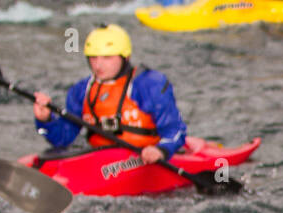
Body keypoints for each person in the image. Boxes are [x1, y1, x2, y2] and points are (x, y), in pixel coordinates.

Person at [32, 24, 186, 165]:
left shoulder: (148, 85)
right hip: (99, 158)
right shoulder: (82, 90)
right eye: (93, 57)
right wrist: (46, 120)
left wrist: (161, 150)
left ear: (125, 57)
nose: (98, 65)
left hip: (143, 158)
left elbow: (175, 130)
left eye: (107, 57)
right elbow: (63, 139)